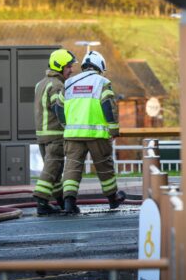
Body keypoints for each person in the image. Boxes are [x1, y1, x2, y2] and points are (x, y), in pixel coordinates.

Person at [60, 50, 126, 214]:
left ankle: (69, 202)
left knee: (72, 167)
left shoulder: (68, 83)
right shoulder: (103, 82)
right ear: (100, 66)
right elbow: (108, 107)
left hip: (73, 135)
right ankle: (112, 199)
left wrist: (66, 125)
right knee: (104, 166)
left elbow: (58, 107)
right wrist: (113, 129)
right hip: (97, 135)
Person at [32, 49, 76, 215]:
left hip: (42, 135)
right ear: (59, 67)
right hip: (55, 135)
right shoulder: (57, 85)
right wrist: (68, 127)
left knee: (56, 170)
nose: (71, 70)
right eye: (69, 67)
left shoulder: (40, 84)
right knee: (52, 168)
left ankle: (59, 201)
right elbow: (58, 108)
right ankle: (41, 200)